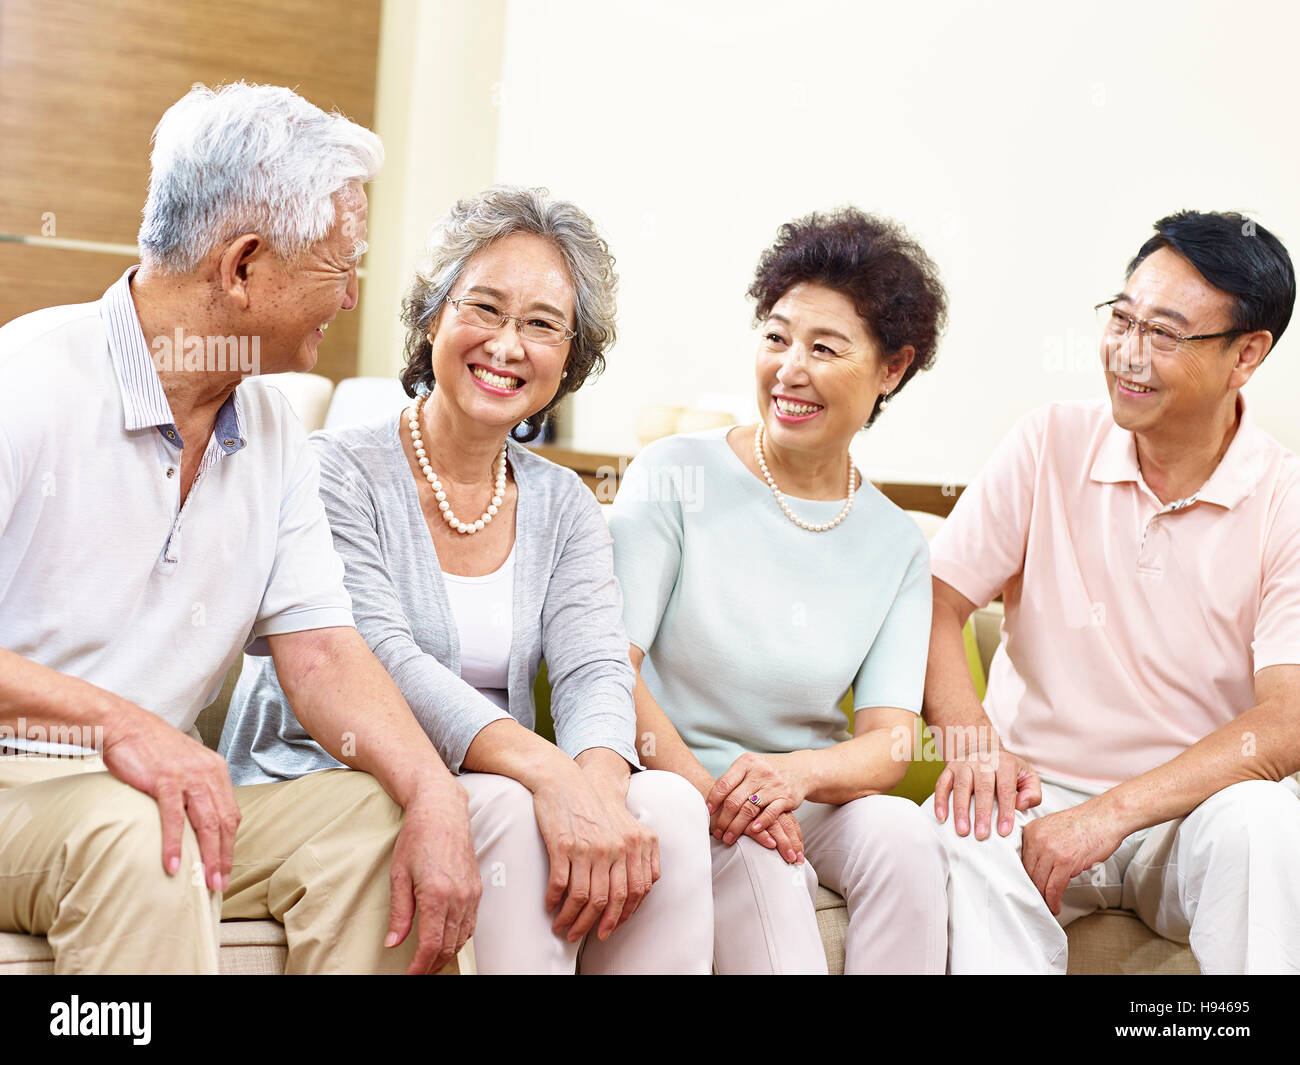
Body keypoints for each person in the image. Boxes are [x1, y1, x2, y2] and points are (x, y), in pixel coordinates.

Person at [0, 82, 482, 975]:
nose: (349, 301)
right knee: (150, 835)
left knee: (376, 824)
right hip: (26, 785)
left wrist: (432, 790)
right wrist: (114, 723)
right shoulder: (26, 382)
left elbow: (324, 653)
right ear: (243, 266)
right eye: (342, 268)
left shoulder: (270, 432)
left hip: (144, 790)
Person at [219, 185, 713, 975]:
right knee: (515, 807)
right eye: (483, 307)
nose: (508, 345)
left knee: (672, 806)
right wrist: (550, 772)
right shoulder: (336, 471)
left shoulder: (566, 506)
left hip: (501, 773)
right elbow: (380, 655)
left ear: (569, 356)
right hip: (344, 776)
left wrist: (594, 783)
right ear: (432, 318)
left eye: (543, 324)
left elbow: (594, 670)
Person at [922, 210, 1300, 973]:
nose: (1127, 355)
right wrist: (973, 745)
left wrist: (1113, 814)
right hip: (1034, 796)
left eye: (1163, 334)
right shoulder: (1048, 442)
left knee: (1265, 823)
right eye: (1121, 320)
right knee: (963, 824)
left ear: (1246, 355)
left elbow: (1287, 719)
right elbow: (935, 600)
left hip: (1192, 812)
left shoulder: (1286, 495)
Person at [607, 208, 950, 974]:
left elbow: (890, 741)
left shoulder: (896, 541)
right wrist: (714, 796)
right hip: (675, 781)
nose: (789, 368)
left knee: (904, 834)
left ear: (891, 368)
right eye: (776, 337)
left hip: (803, 793)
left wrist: (793, 777)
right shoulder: (674, 475)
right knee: (756, 855)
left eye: (824, 348)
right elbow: (609, 667)